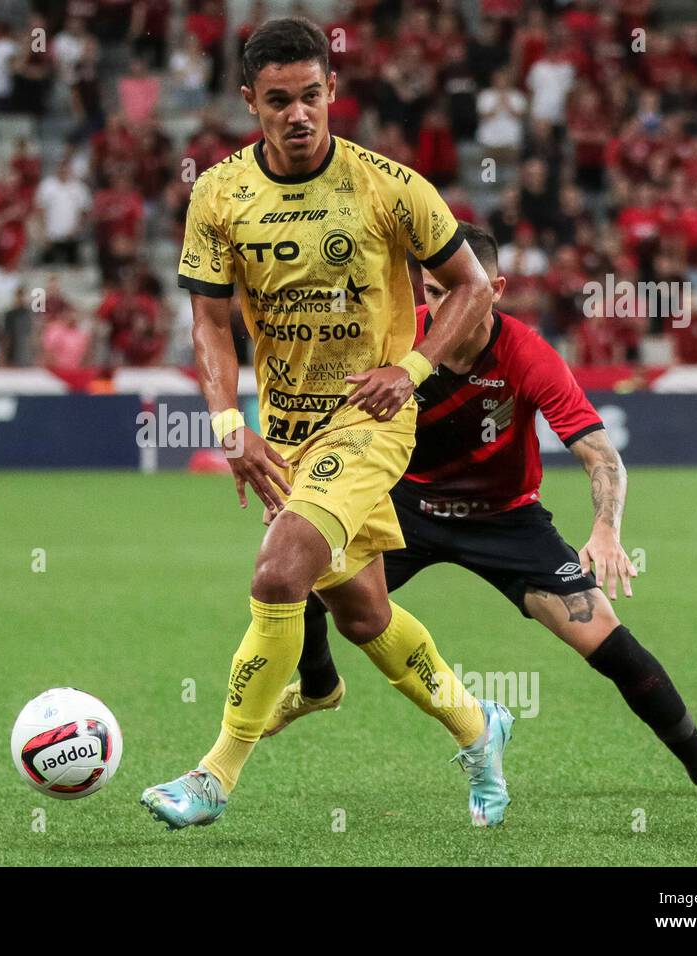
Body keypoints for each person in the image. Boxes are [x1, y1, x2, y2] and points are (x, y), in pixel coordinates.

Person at [142, 18, 507, 831]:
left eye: (312, 95)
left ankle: (213, 776)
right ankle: (479, 727)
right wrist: (229, 426)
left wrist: (411, 369)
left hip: (371, 422)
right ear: (250, 102)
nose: (299, 114)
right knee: (363, 613)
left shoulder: (390, 187)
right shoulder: (219, 193)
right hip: (286, 433)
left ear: (333, 90)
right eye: (279, 101)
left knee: (279, 575)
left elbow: (474, 286)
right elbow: (209, 323)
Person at [272, 223, 697, 799]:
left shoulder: (529, 355)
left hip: (506, 518)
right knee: (298, 576)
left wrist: (605, 529)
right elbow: (330, 416)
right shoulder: (396, 336)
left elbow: (601, 455)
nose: (443, 304)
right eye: (433, 291)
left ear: (495, 289)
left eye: (458, 289)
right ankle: (318, 686)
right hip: (409, 507)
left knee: (607, 640)